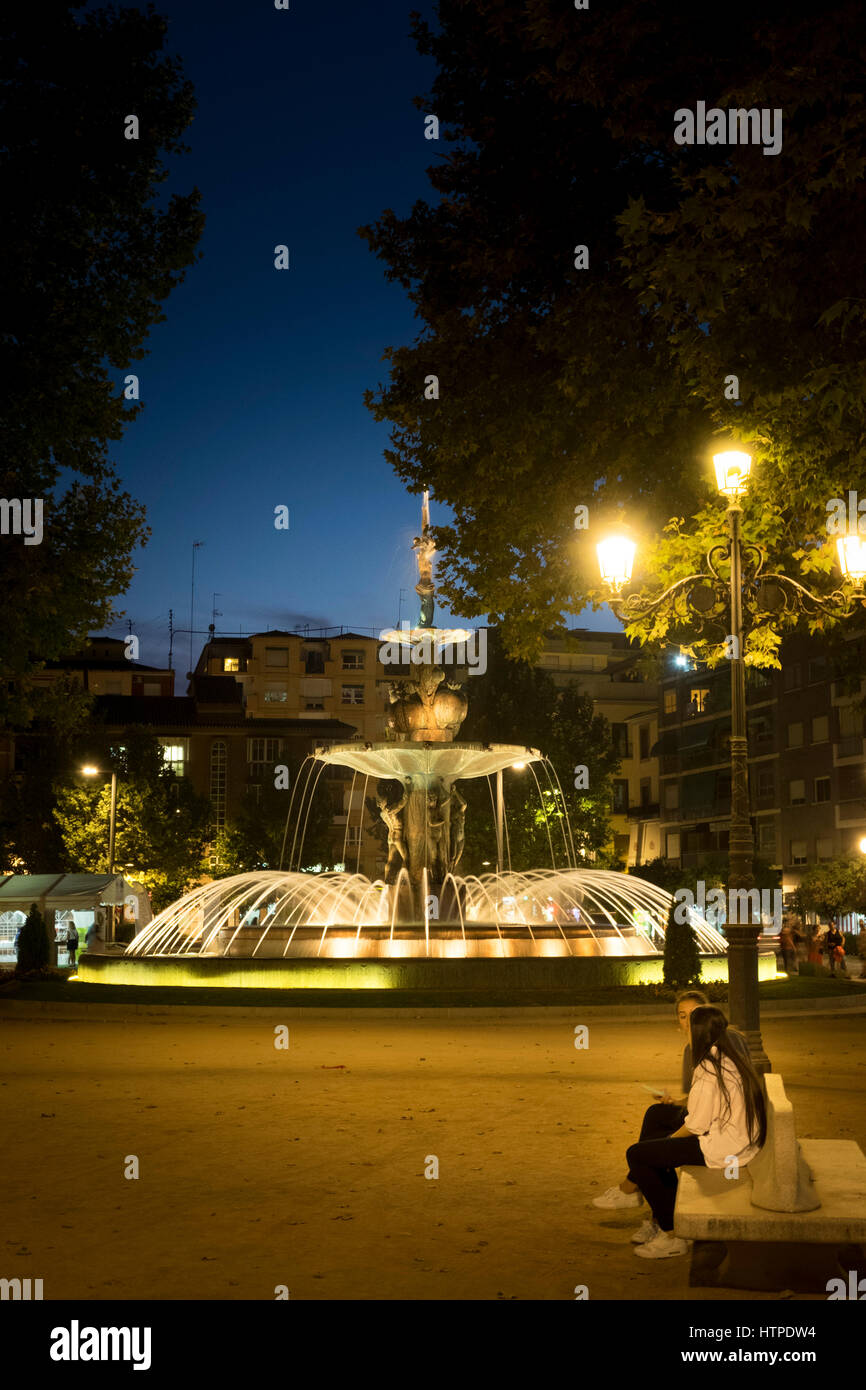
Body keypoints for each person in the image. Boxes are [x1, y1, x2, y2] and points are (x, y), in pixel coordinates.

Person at [625, 1006, 766, 1259]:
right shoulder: (727, 1054)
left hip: (727, 1148)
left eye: (690, 1026)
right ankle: (638, 1192)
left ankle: (672, 1234)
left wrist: (665, 1143)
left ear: (699, 1033)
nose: (685, 1030)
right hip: (737, 1137)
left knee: (638, 1155)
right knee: (657, 1115)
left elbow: (695, 1126)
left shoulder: (708, 1068)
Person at [592, 989, 710, 1212]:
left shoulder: (710, 1052)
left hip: (714, 1135)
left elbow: (704, 1115)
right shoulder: (691, 1049)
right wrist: (676, 1102)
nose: (688, 1021)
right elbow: (701, 1098)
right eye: (682, 1015)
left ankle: (645, 1201)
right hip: (705, 1121)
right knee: (656, 1114)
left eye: (694, 1013)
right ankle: (655, 1211)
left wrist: (669, 1140)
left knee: (644, 1152)